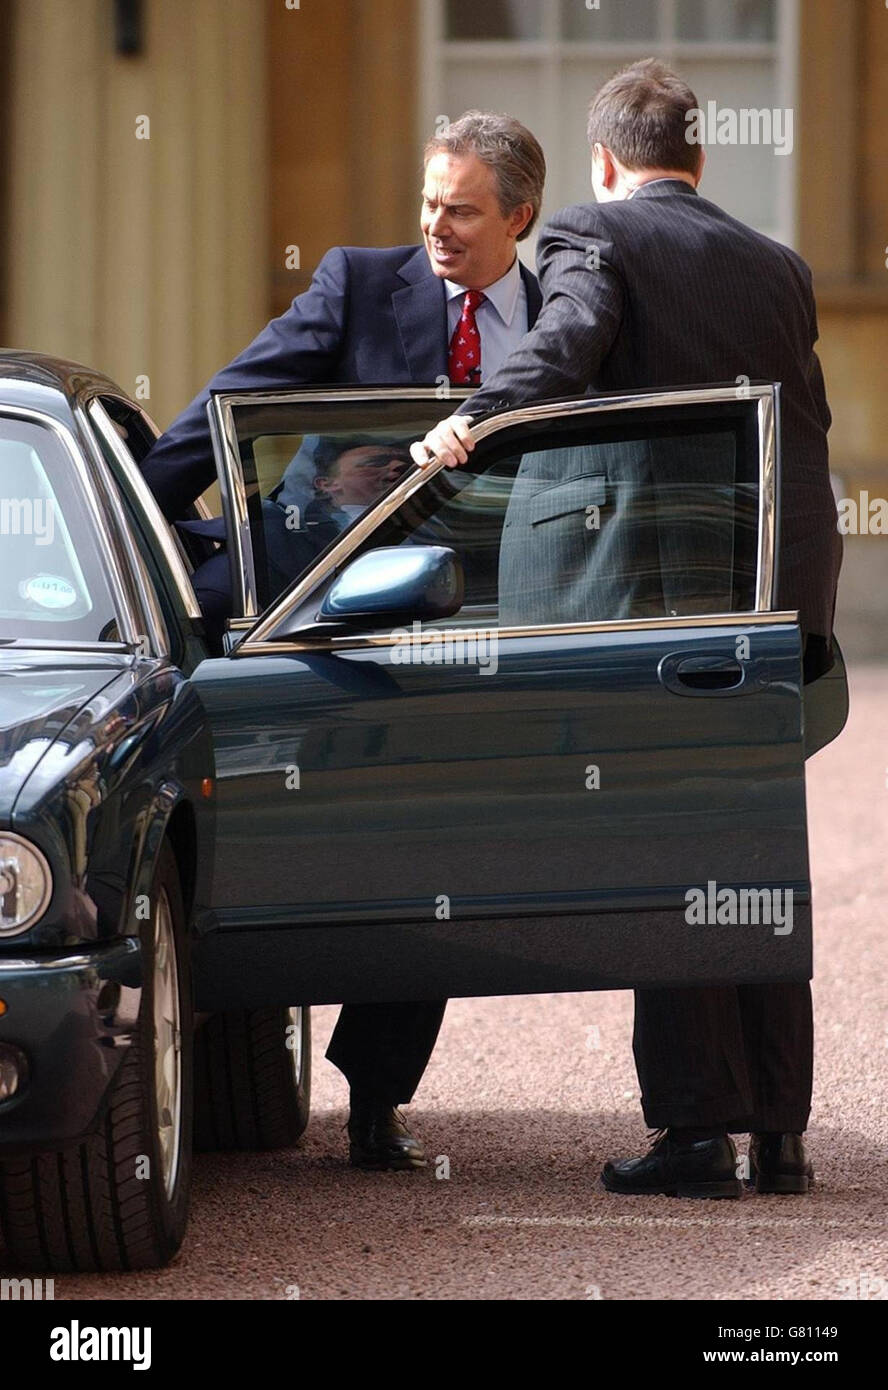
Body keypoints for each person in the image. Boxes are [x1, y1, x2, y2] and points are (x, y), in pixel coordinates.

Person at [413, 59, 841, 1198]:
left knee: (670, 865)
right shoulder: (780, 266)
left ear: (603, 160)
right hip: (764, 612)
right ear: (699, 159)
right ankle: (782, 1134)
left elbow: (564, 347)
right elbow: (807, 438)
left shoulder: (591, 239)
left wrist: (473, 420)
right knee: (754, 861)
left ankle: (697, 1134)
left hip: (647, 623)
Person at [140, 110, 546, 1171]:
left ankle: (377, 1097)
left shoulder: (558, 320)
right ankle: (234, 1042)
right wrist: (139, 517)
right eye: (428, 204)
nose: (437, 227)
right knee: (272, 831)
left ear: (521, 215)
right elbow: (236, 395)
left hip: (465, 621)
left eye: (461, 210)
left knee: (434, 852)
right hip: (308, 601)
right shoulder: (360, 285)